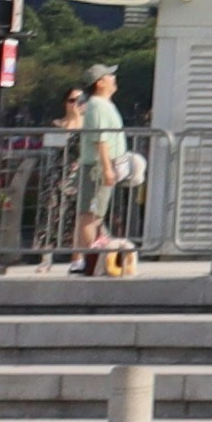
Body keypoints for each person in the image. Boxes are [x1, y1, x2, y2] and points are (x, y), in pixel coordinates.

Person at [69, 64, 138, 278]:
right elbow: (101, 139)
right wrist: (108, 169)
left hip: (101, 166)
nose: (114, 78)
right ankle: (90, 260)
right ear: (100, 82)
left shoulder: (103, 104)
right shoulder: (98, 105)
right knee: (90, 214)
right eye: (110, 75)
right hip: (97, 168)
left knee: (96, 214)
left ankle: (88, 259)